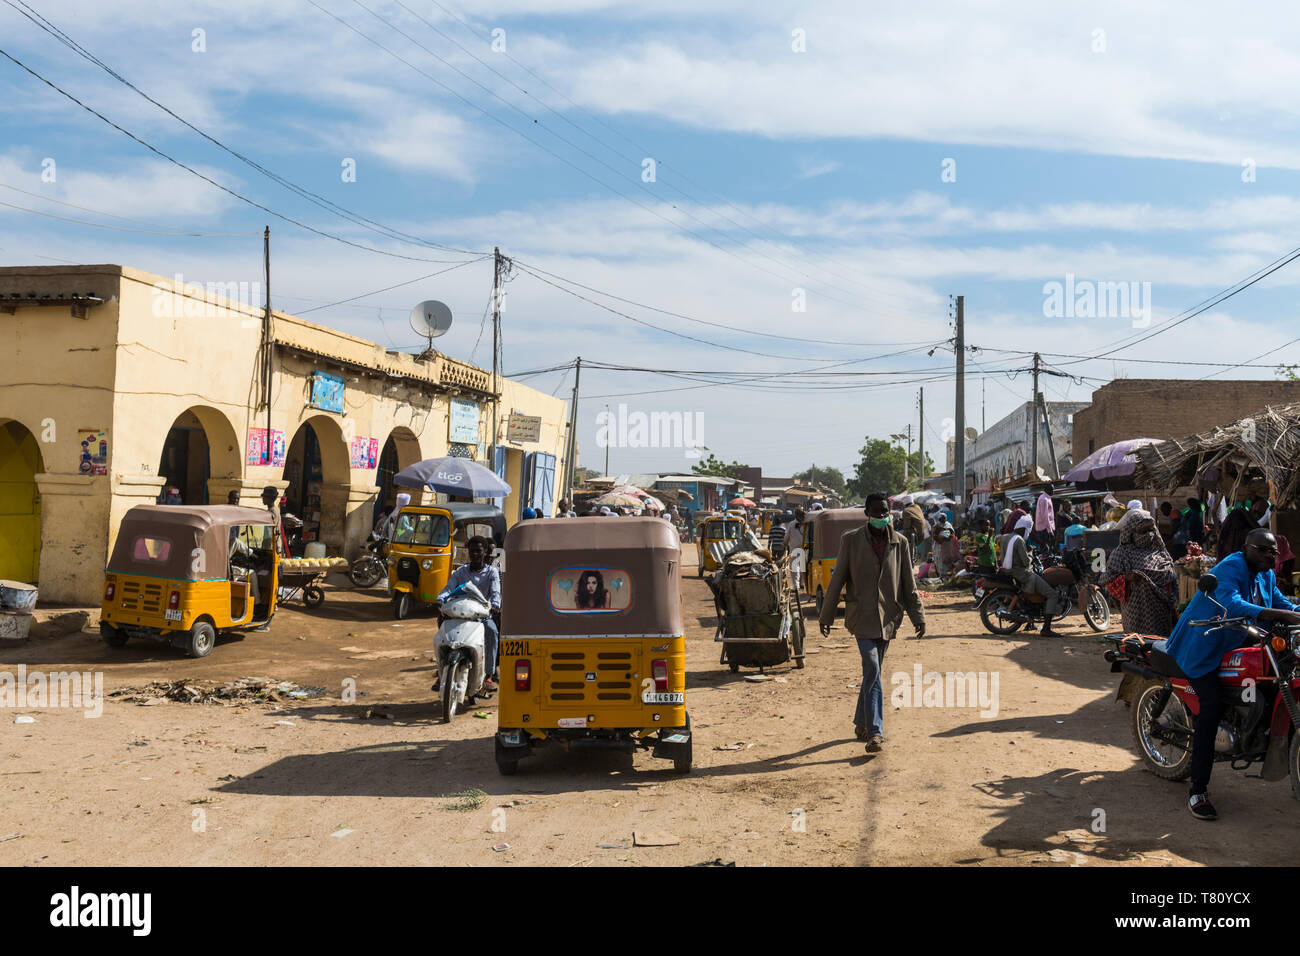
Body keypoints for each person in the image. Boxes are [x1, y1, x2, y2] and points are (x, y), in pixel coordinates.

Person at [1164, 530, 1300, 820]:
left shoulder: (1267, 574)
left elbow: (1281, 604)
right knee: (1211, 708)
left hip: (1236, 643)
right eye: (1262, 550)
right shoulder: (1230, 567)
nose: (1269, 556)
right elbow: (1233, 604)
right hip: (1203, 646)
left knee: (1274, 684)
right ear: (1246, 548)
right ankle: (1197, 790)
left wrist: (1294, 611)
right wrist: (1283, 616)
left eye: (1273, 552)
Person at [818, 491, 926, 753]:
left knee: (871, 673)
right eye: (877, 512)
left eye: (885, 512)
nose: (882, 516)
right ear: (867, 513)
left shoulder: (900, 543)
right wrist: (827, 615)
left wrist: (918, 616)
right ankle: (875, 732)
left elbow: (908, 585)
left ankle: (860, 721)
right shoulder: (851, 541)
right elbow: (838, 580)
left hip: (888, 619)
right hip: (862, 618)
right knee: (872, 668)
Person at [435, 536, 502, 694]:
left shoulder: (492, 572)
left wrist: (495, 606)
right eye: (472, 551)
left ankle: (489, 675)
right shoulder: (461, 571)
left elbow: (495, 592)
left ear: (485, 553)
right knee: (442, 623)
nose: (475, 554)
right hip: (461, 612)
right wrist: (440, 599)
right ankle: (442, 671)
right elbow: (449, 587)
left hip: (482, 615)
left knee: (492, 631)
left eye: (478, 551)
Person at [1098, 508, 1177, 636]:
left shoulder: (1160, 551)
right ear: (1132, 531)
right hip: (1137, 610)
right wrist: (1127, 578)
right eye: (1143, 531)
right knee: (1138, 642)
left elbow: (1171, 574)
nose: (1148, 534)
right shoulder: (1122, 553)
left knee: (1160, 643)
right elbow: (1106, 578)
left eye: (1150, 531)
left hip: (1160, 611)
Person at [998, 514, 1064, 636]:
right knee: (1052, 594)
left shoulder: (1004, 537)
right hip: (1023, 574)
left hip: (1009, 572)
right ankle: (1046, 629)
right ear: (1024, 529)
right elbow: (1026, 562)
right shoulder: (1019, 540)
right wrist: (1030, 551)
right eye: (1028, 531)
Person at [786, 509, 806, 590]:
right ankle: (802, 584)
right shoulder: (805, 524)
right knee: (802, 566)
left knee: (795, 567)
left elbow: (786, 537)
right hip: (804, 548)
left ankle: (796, 585)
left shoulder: (791, 524)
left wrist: (784, 544)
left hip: (794, 548)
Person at [1034, 484, 1056, 552]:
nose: (1053, 491)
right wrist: (1050, 531)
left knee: (1046, 550)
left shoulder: (1046, 498)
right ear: (1046, 490)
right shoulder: (1044, 499)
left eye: (1053, 489)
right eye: (1051, 489)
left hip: (1045, 528)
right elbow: (1045, 516)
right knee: (1046, 550)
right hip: (1044, 529)